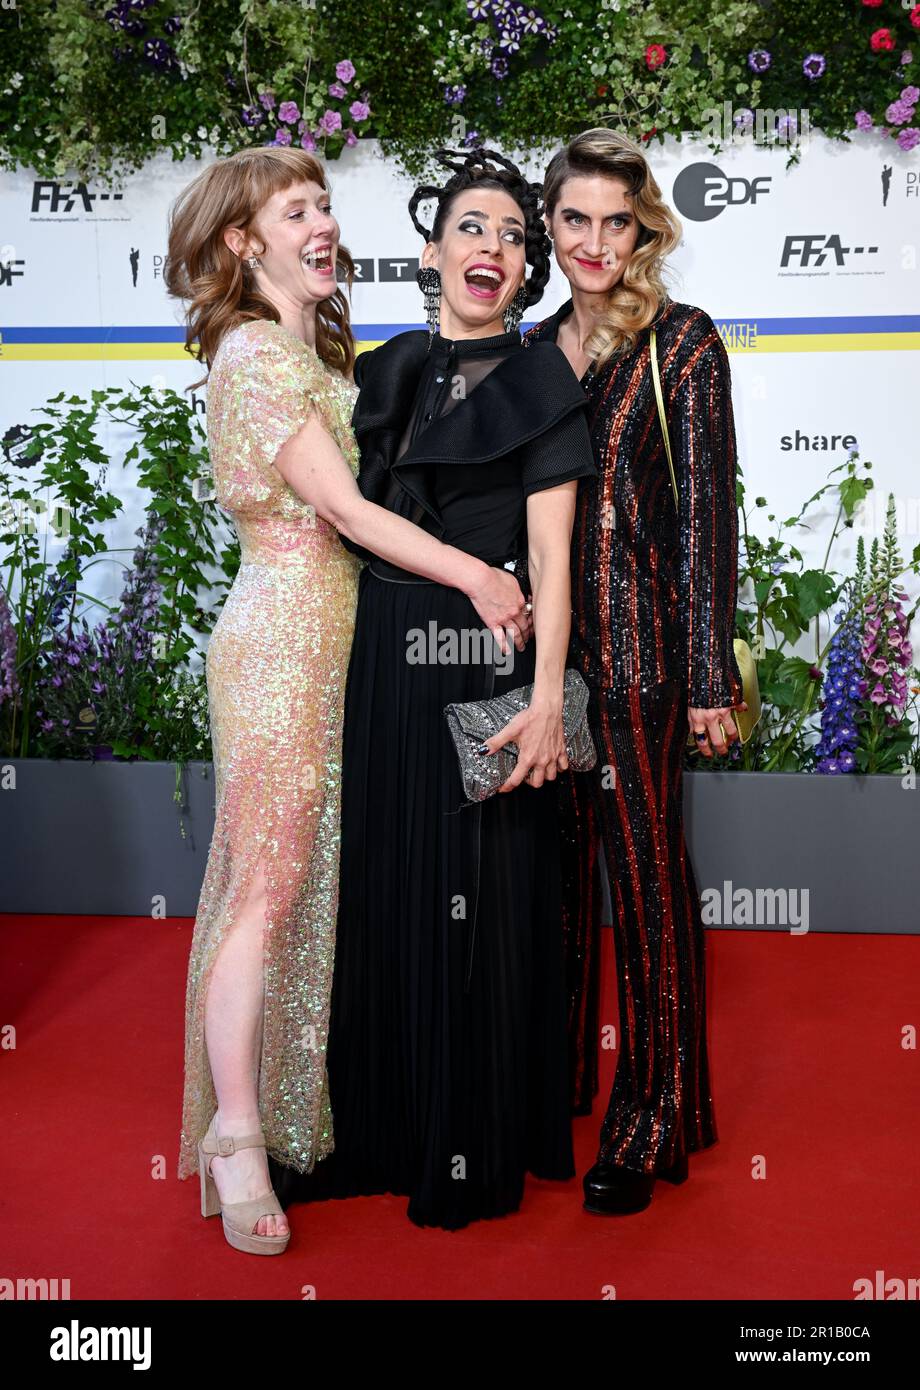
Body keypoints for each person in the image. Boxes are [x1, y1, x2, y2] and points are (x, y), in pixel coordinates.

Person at [167, 146, 530, 1255]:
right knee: (266, 887)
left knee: (307, 883)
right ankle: (236, 1137)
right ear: (244, 240)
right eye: (296, 209)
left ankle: (292, 1109)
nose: (324, 223)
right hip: (283, 643)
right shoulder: (255, 354)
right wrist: (476, 574)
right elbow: (346, 513)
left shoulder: (308, 347)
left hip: (343, 645)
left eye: (326, 204)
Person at [272, 147, 597, 1230]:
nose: (491, 246)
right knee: (390, 881)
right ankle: (384, 1124)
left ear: (524, 270)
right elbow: (342, 513)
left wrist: (547, 697)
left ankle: (470, 1146)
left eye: (512, 234)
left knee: (484, 899)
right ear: (430, 251)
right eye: (472, 227)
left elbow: (549, 561)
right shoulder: (387, 368)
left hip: (487, 661)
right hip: (383, 658)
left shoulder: (543, 384)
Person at [523, 128, 746, 1215]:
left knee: (647, 885)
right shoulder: (528, 346)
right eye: (575, 219)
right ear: (548, 224)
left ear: (642, 226)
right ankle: (555, 1092)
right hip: (542, 665)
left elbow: (707, 519)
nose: (594, 241)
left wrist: (708, 679)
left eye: (616, 220)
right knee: (552, 879)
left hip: (645, 661)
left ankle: (652, 1114)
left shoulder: (681, 344)